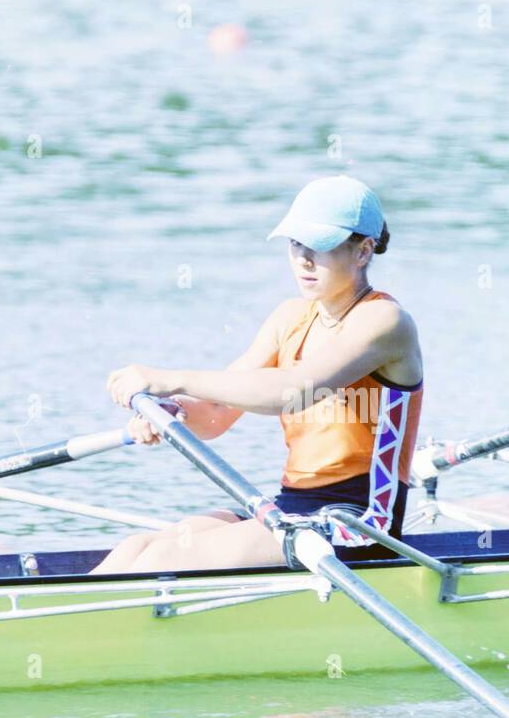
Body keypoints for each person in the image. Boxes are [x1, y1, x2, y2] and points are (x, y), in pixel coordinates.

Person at [94, 175, 424, 573]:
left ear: (363, 251)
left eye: (319, 246)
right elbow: (215, 414)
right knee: (138, 547)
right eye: (295, 243)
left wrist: (171, 377)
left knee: (165, 559)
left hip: (360, 522)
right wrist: (171, 410)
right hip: (293, 509)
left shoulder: (384, 321)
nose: (303, 259)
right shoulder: (290, 317)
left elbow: (290, 392)